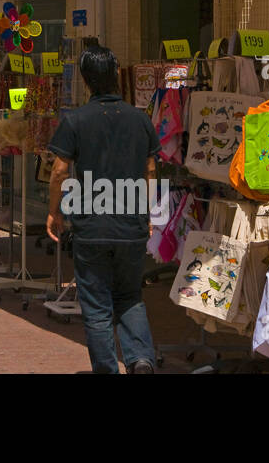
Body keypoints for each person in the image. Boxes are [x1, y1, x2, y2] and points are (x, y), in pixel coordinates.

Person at [46, 45, 159, 375]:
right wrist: (149, 214)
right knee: (130, 296)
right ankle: (139, 359)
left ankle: (108, 369)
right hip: (132, 225)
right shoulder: (140, 119)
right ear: (115, 75)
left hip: (91, 226)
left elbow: (58, 171)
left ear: (86, 81)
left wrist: (55, 212)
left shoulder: (76, 121)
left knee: (96, 306)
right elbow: (150, 171)